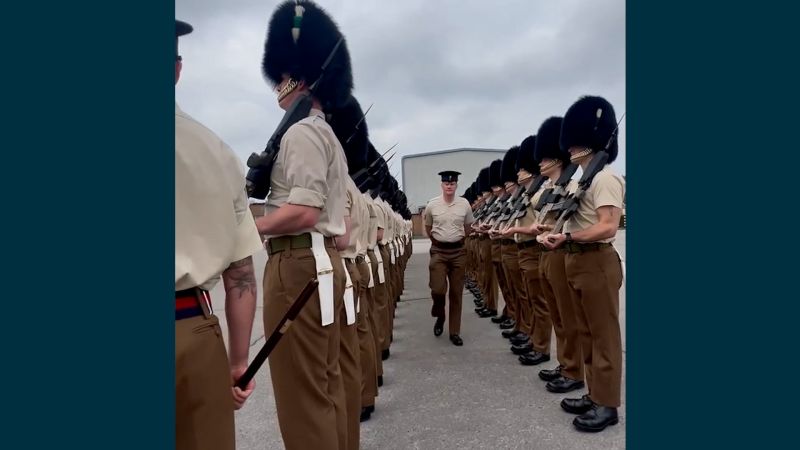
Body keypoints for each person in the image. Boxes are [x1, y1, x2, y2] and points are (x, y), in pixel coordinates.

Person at [254, 1, 354, 448]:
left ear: (293, 76)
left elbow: (304, 211)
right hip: (321, 266)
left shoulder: (300, 133)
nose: (275, 86)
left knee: (302, 397)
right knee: (325, 386)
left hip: (297, 265)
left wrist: (252, 228)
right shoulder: (325, 132)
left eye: (280, 77)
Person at [175, 19, 260, 450]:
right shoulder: (218, 151)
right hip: (191, 329)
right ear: (177, 68)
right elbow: (241, 275)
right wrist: (239, 361)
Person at [543, 95, 625, 432]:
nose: (571, 148)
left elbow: (607, 225)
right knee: (587, 332)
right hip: (576, 261)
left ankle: (607, 404)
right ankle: (594, 392)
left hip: (596, 261)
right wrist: (551, 233)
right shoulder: (582, 180)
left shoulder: (606, 178)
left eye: (577, 142)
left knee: (603, 335)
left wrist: (570, 239)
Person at [423, 170, 476, 346]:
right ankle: (440, 314)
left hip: (458, 252)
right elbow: (428, 227)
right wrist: (439, 242)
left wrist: (457, 239)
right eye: (446, 183)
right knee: (438, 289)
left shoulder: (464, 204)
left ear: (456, 185)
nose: (449, 186)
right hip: (439, 251)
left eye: (452, 184)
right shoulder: (432, 205)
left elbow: (468, 228)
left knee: (456, 293)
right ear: (442, 185)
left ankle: (454, 331)